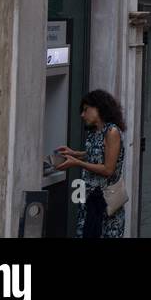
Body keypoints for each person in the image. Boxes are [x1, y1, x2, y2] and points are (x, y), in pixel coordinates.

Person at [56, 89, 127, 238]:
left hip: (105, 204)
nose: (82, 115)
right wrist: (74, 153)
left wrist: (76, 163)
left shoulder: (112, 132)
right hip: (90, 199)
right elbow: (96, 154)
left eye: (86, 110)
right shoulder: (95, 131)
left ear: (98, 108)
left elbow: (108, 169)